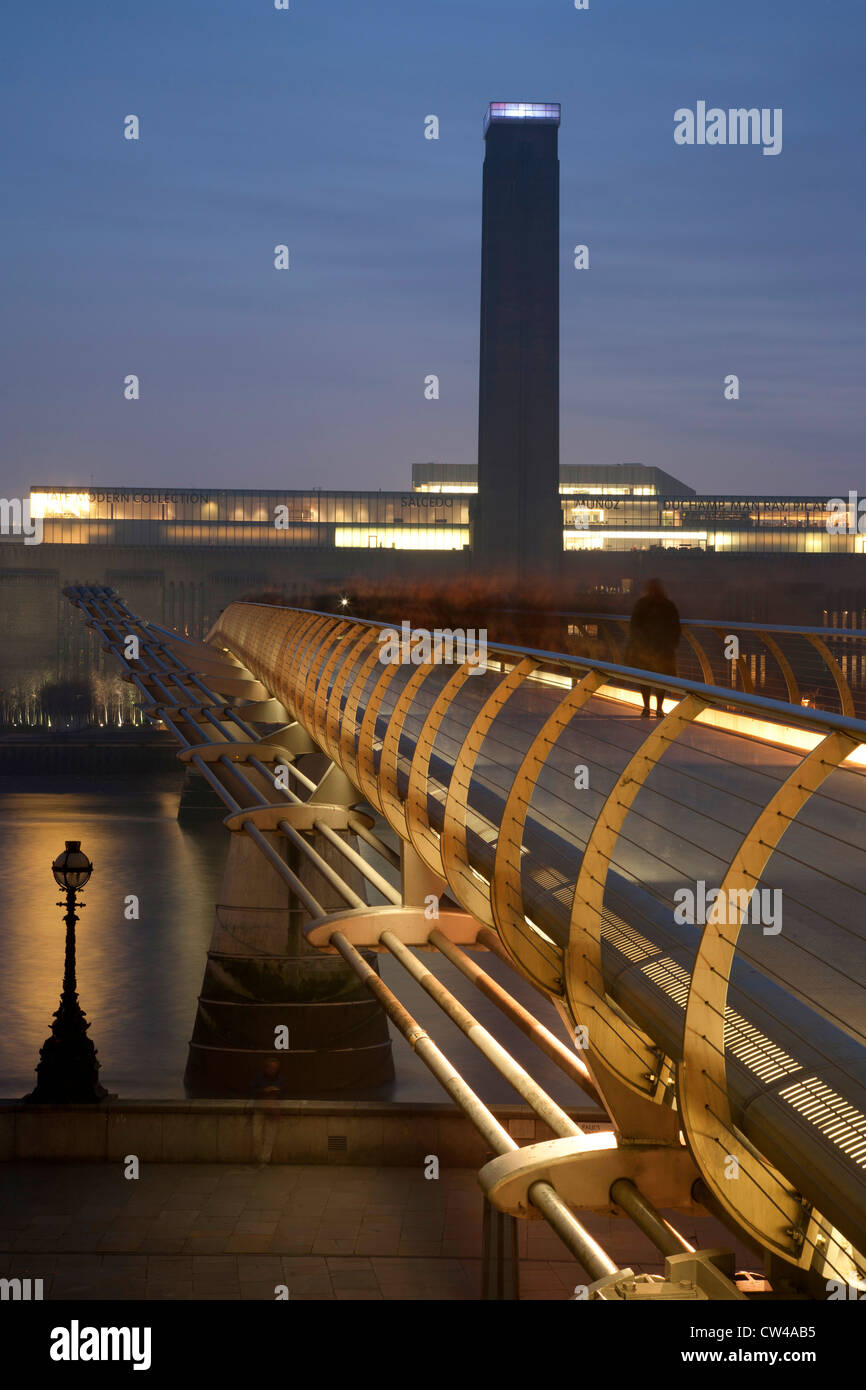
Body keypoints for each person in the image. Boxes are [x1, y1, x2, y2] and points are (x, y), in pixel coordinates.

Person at [625, 579, 681, 718]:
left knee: (645, 680)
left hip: (645, 650)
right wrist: (671, 645)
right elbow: (675, 627)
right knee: (661, 680)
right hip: (663, 650)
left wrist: (639, 645)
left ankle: (646, 708)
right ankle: (659, 709)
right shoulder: (668, 605)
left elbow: (634, 627)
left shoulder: (642, 604)